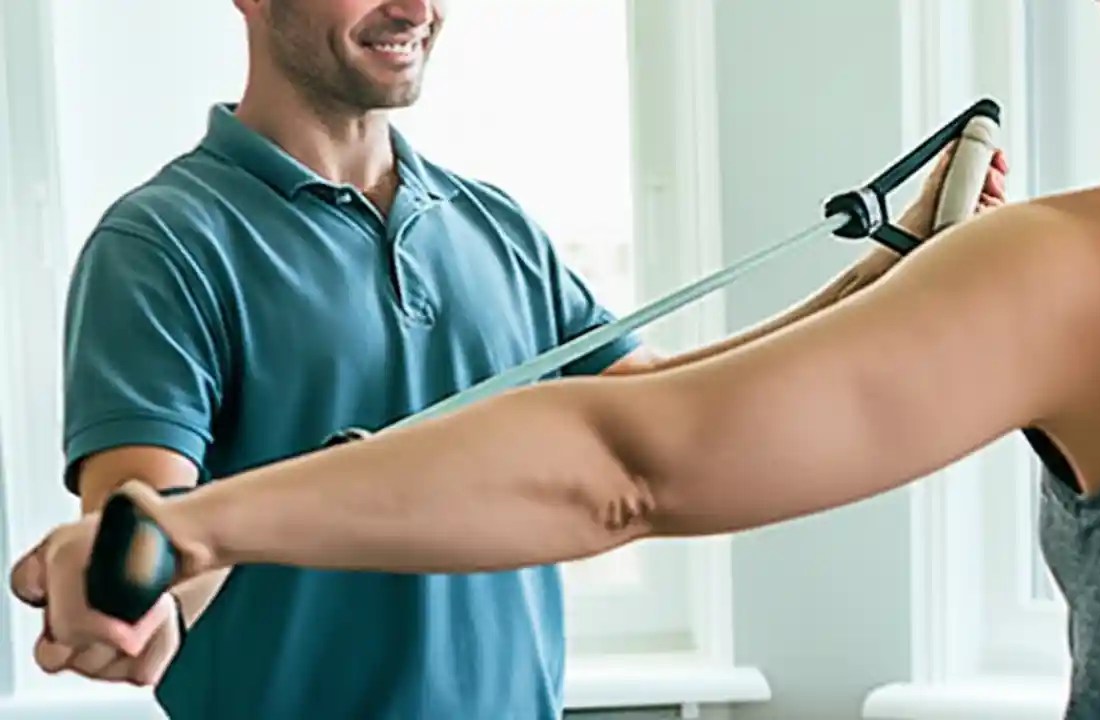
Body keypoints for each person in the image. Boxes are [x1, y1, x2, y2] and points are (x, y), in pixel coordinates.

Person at [12, 0, 1006, 718]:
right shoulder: (163, 242)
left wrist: (898, 264)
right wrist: (128, 609)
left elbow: (680, 421)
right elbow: (143, 546)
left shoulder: (496, 229)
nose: (415, 8)